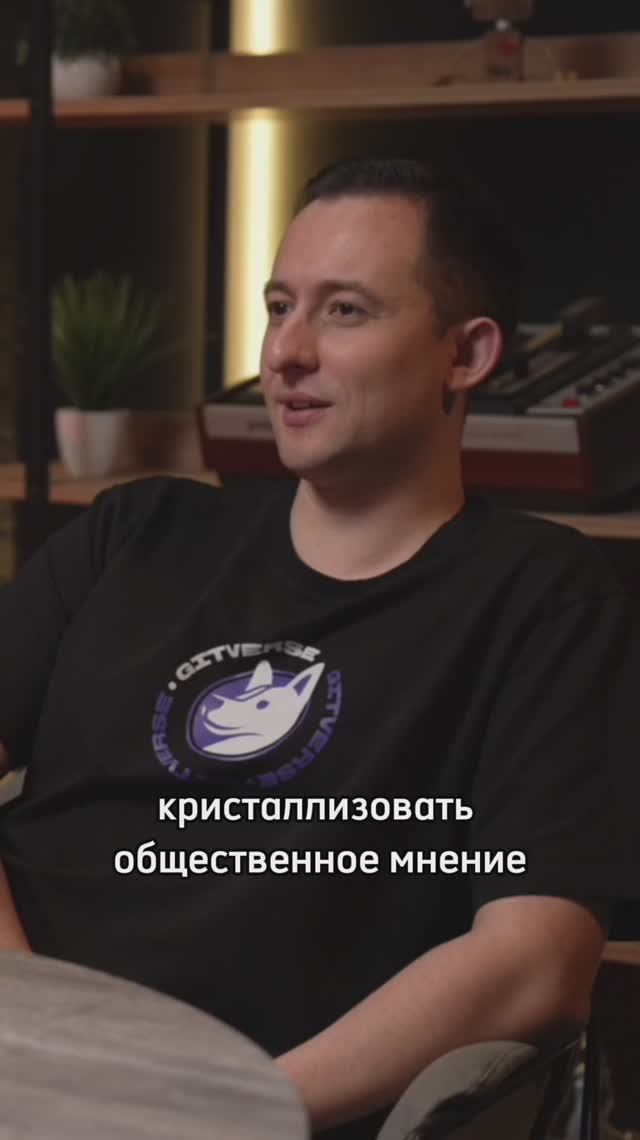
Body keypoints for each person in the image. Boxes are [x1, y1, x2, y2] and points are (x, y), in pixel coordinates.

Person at [0, 156, 638, 1140]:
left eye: (344, 311)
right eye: (278, 306)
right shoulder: (133, 535)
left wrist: (213, 1111)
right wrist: (35, 1038)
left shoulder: (541, 599)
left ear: (466, 354)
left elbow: (535, 963)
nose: (285, 353)